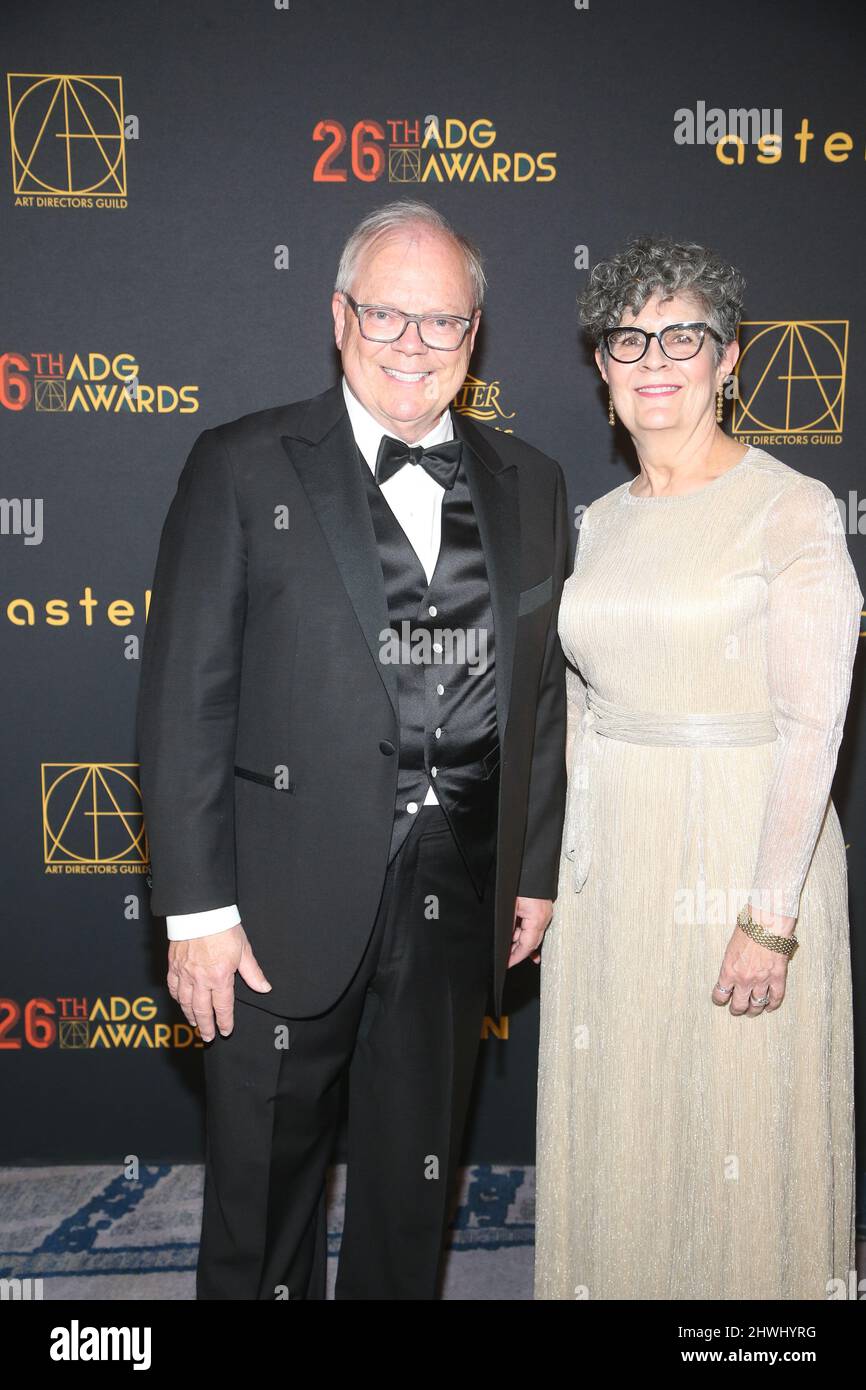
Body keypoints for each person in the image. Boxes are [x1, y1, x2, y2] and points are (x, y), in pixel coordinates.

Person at [136, 199, 569, 1300]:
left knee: (409, 1193)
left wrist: (526, 869)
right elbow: (184, 697)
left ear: (473, 336)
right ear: (338, 316)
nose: (413, 347)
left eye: (442, 323)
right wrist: (195, 912)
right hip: (274, 905)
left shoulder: (532, 481)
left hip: (454, 897)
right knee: (263, 1198)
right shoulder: (240, 465)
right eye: (386, 315)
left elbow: (538, 698)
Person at [535, 235, 863, 1300]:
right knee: (625, 1117)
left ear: (728, 359)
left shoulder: (791, 507)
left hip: (744, 855)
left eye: (684, 335)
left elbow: (814, 723)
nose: (655, 359)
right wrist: (555, 875)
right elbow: (579, 705)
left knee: (741, 1121)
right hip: (611, 870)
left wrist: (767, 916)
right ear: (601, 366)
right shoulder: (595, 523)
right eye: (629, 338)